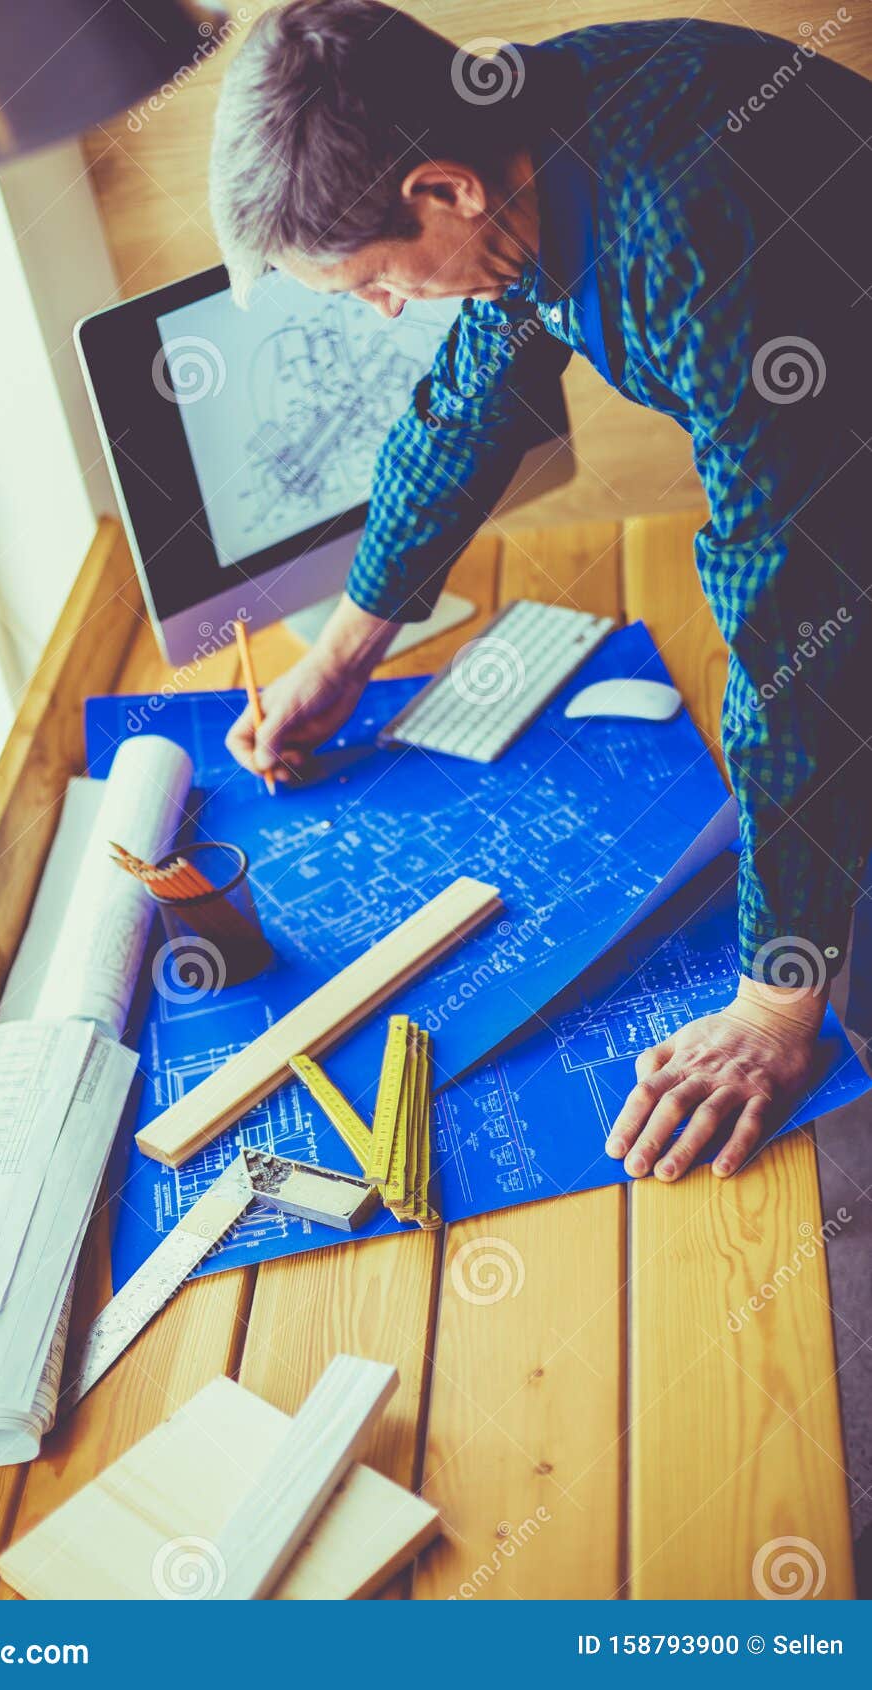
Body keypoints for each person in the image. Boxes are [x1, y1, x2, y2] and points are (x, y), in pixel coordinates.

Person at [209, 0, 872, 1183]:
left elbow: (791, 625)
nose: (385, 307)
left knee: (839, 979)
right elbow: (467, 410)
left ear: (443, 192)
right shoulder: (515, 146)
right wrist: (341, 657)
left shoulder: (695, 226)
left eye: (369, 280)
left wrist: (773, 1008)